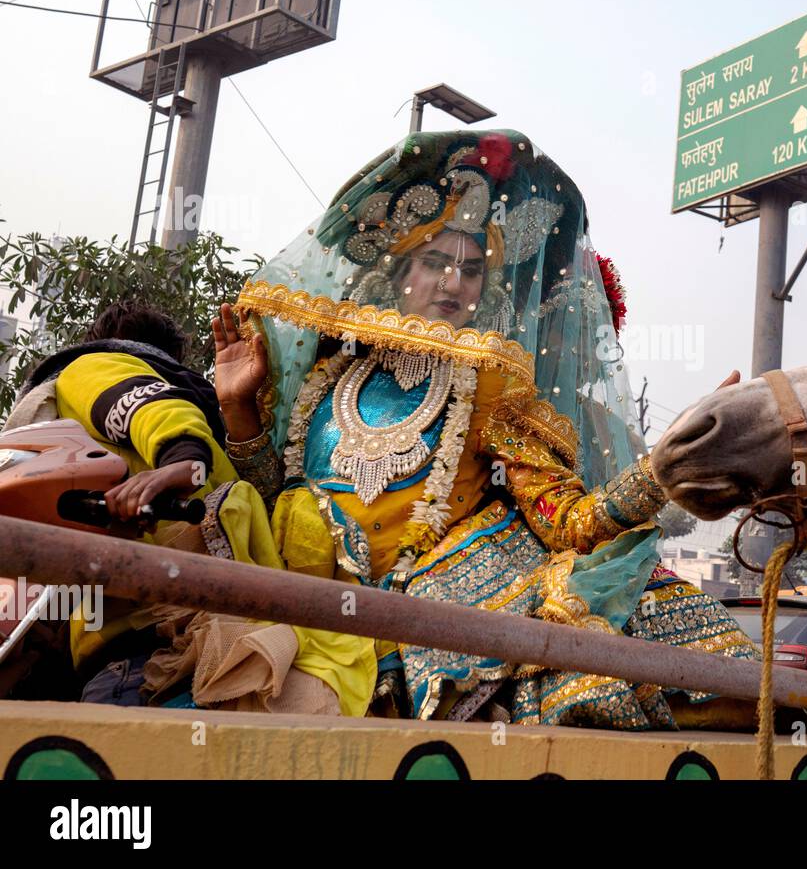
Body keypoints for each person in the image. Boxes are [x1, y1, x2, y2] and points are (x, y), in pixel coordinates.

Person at [194, 129, 757, 727]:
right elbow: (272, 496)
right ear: (397, 273)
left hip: (443, 609)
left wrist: (666, 464)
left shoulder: (491, 386)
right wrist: (237, 408)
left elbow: (572, 522)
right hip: (312, 606)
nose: (453, 283)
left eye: (469, 271)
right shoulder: (327, 377)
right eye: (435, 263)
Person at [4, 300, 238, 704]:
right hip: (219, 638)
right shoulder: (217, 434)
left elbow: (148, 406)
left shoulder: (93, 367)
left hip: (142, 654)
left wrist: (182, 460)